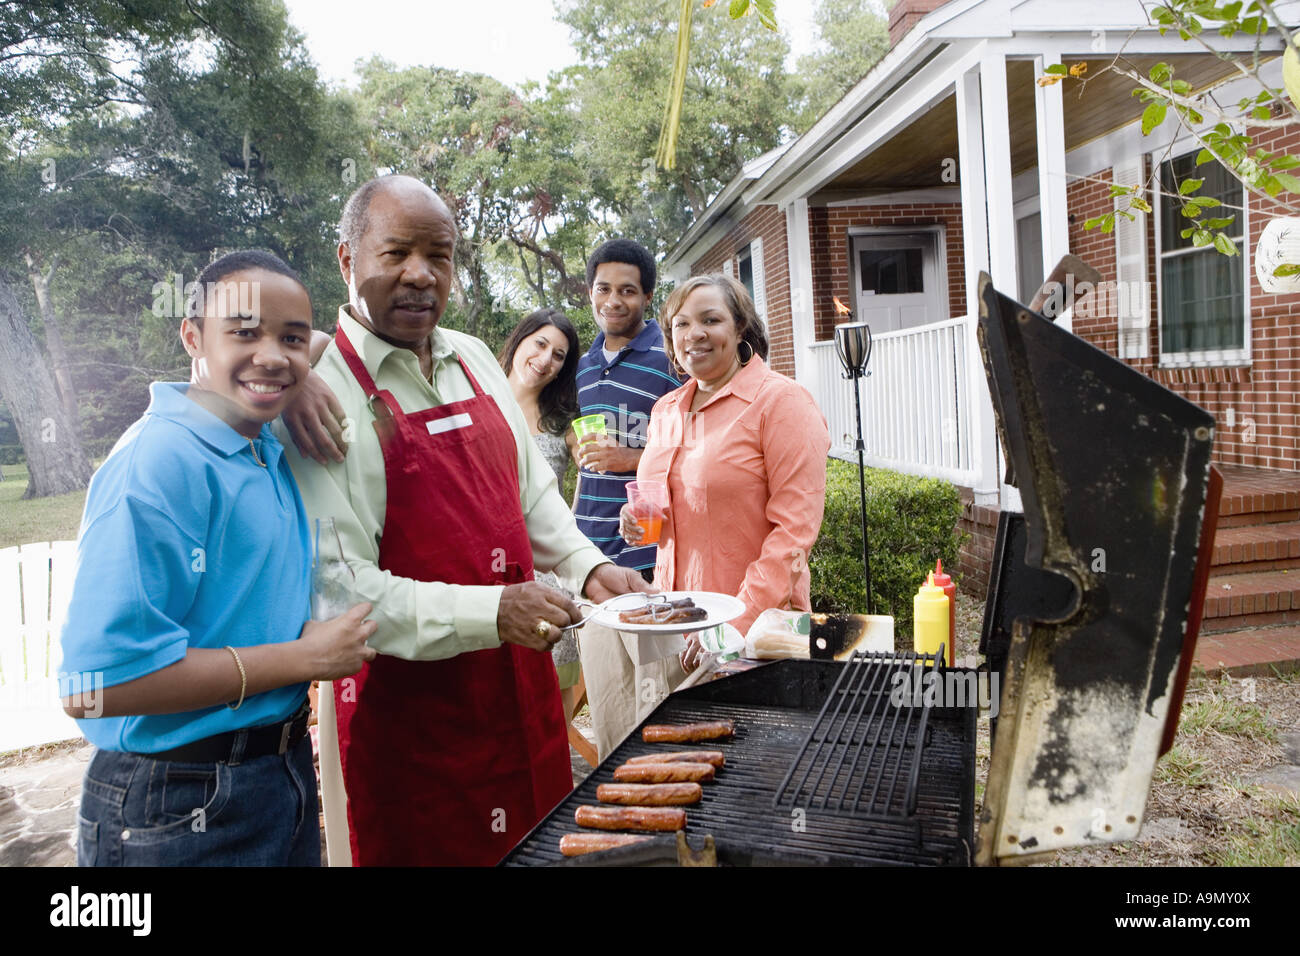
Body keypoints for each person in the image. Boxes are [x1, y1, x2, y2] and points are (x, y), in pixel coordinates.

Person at [275, 175, 650, 866]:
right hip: (412, 724)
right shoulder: (320, 392)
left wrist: (589, 566)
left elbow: (530, 493)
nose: (420, 274)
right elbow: (341, 593)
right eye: (396, 253)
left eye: (439, 255)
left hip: (521, 696)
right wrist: (493, 612)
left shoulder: (475, 357)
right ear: (346, 259)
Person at [58, 249, 377, 867]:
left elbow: (305, 337)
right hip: (174, 799)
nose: (272, 355)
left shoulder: (255, 440)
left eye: (289, 339)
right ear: (191, 337)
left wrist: (299, 368)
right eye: (243, 333)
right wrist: (301, 658)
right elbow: (92, 687)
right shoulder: (159, 465)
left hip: (274, 773)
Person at [620, 273, 830, 673]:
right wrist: (636, 520)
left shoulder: (782, 402)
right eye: (681, 323)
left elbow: (794, 533)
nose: (694, 333)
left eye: (710, 320)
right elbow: (667, 506)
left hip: (755, 633)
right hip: (675, 625)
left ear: (740, 329)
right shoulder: (666, 409)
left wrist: (732, 626)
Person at [572, 239, 684, 760]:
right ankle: (623, 793)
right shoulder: (583, 364)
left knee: (657, 691)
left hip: (649, 552)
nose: (613, 301)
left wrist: (630, 459)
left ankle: (670, 788)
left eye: (627, 291)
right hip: (591, 551)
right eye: (603, 289)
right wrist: (580, 448)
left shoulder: (670, 360)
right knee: (609, 698)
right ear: (589, 292)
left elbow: (698, 448)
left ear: (647, 296)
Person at [498, 307, 583, 719]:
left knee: (553, 698)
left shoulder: (565, 423)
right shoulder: (480, 400)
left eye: (559, 355)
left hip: (547, 571)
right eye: (541, 344)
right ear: (520, 340)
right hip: (490, 570)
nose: (546, 359)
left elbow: (594, 477)